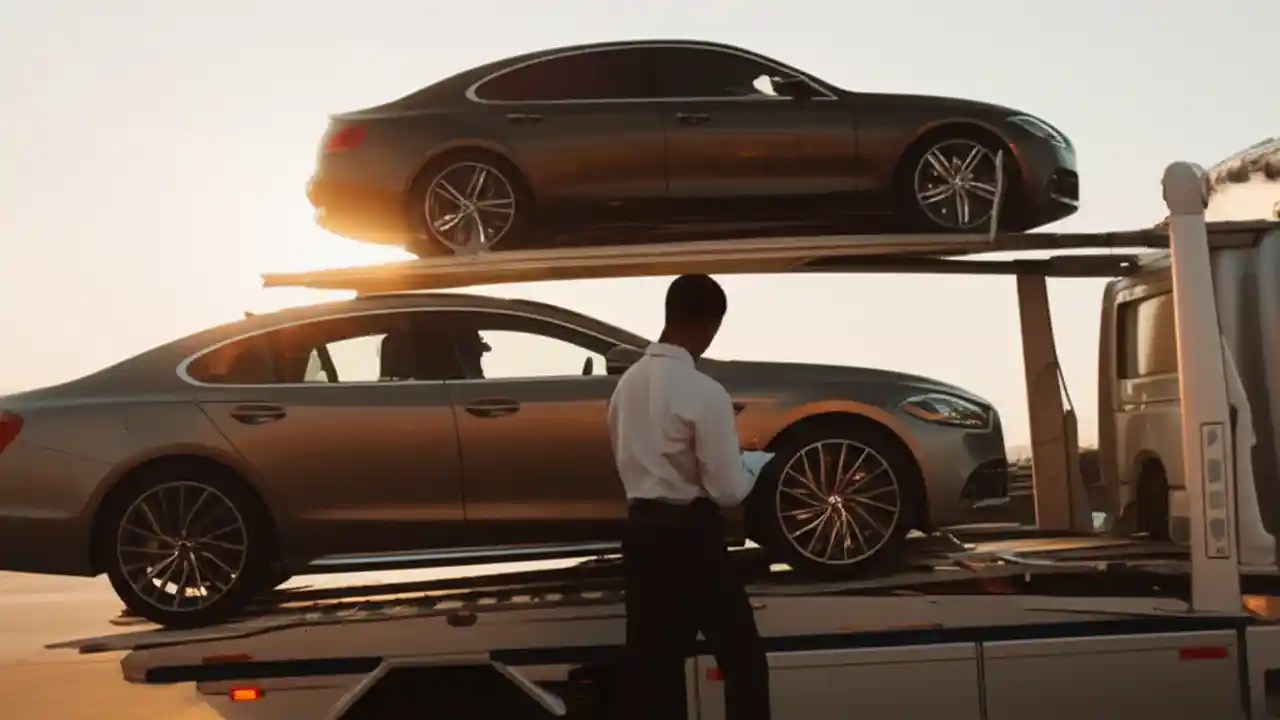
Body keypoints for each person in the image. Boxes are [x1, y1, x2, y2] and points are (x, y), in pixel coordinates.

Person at [607, 273, 771, 720]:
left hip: (640, 538)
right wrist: (754, 463)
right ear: (709, 326)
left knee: (653, 672)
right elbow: (726, 490)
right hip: (691, 540)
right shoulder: (704, 391)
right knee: (743, 662)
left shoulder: (626, 387)